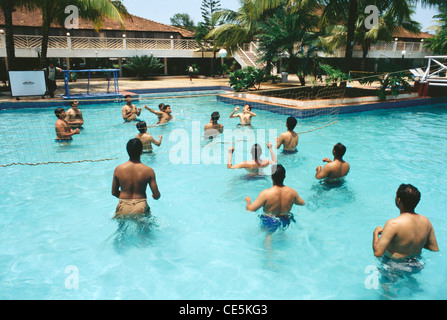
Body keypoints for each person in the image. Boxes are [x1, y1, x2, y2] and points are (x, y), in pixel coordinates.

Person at [373, 184, 438, 262]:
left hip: (394, 265)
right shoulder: (426, 221)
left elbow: (378, 253)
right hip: (416, 263)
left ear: (399, 200)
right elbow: (434, 248)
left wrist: (375, 234)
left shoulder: (393, 224)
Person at [245, 164, 305, 247]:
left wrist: (248, 201)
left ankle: (269, 257)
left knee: (268, 235)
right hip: (285, 219)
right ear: (284, 176)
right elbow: (302, 203)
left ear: (271, 177)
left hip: (270, 219)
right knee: (282, 234)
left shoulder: (266, 193)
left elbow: (250, 209)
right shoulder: (292, 192)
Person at [112, 138, 161, 217]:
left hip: (123, 207)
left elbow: (114, 192)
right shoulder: (149, 171)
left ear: (127, 151)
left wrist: (126, 198)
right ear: (141, 151)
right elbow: (157, 195)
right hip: (140, 207)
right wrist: (155, 196)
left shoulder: (118, 169)